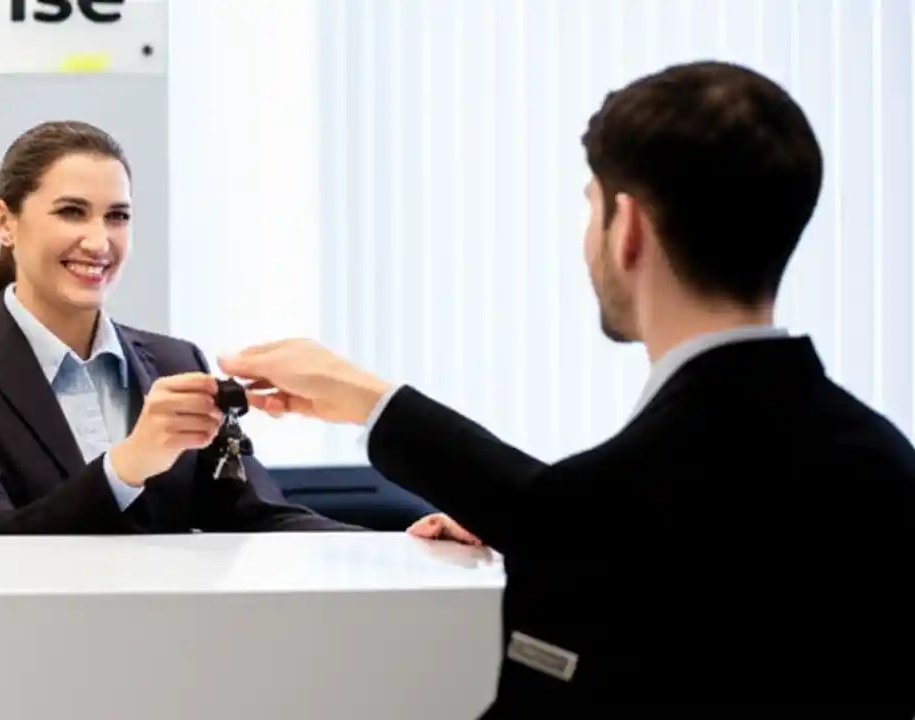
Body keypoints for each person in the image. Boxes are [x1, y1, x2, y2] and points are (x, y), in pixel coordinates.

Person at [219, 62, 915, 714]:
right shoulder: (884, 460)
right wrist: (373, 403)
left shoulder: (612, 517)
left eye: (592, 210)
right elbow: (621, 516)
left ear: (629, 230)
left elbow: (604, 527)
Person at [0, 120, 386, 535]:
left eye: (118, 216)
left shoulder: (176, 361)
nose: (99, 241)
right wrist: (125, 467)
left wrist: (401, 544)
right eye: (71, 212)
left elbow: (257, 514)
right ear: (4, 222)